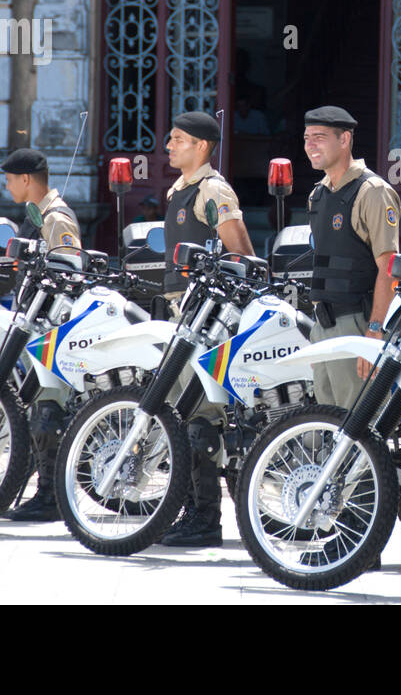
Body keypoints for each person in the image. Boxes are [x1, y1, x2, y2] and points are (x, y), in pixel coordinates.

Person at [158, 110, 254, 547]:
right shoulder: (178, 190)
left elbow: (240, 253)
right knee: (180, 414)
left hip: (206, 320)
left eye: (178, 139)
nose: (169, 145)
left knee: (199, 419)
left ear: (202, 146)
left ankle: (205, 519)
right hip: (182, 312)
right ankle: (190, 509)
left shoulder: (212, 190)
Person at [0, 148, 83, 522]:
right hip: (35, 327)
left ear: (27, 180)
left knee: (46, 411)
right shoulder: (38, 216)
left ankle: (50, 494)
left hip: (51, 329)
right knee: (35, 407)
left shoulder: (55, 217)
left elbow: (70, 276)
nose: (6, 185)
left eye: (10, 178)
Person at [302, 105, 401, 411]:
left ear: (344, 139)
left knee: (358, 421)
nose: (310, 145)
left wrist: (374, 331)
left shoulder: (372, 192)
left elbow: (389, 267)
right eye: (307, 138)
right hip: (322, 325)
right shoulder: (317, 195)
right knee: (327, 420)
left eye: (320, 137)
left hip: (357, 324)